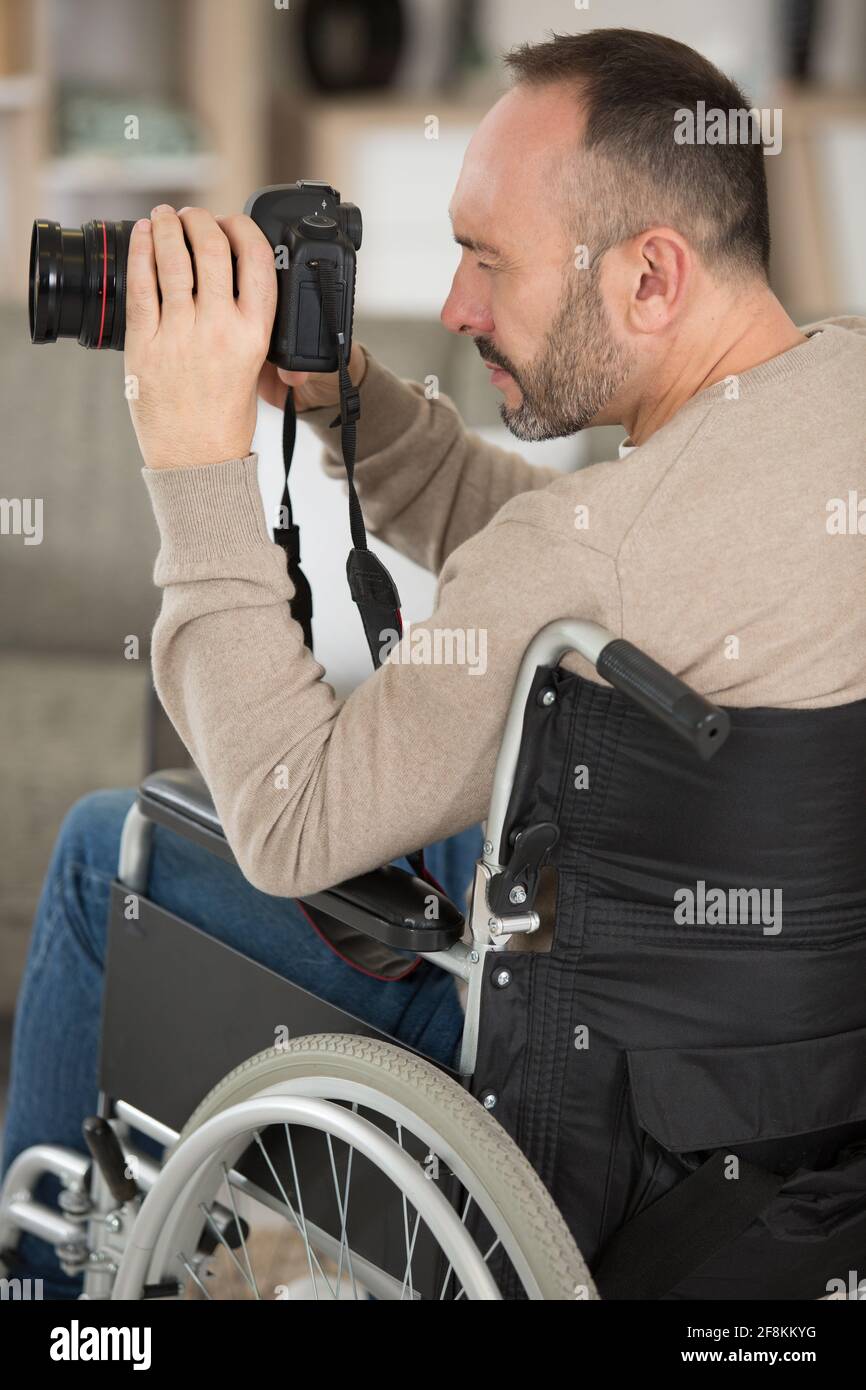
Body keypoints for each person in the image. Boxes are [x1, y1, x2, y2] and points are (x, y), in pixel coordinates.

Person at [3, 27, 865, 1298]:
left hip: (554, 1093)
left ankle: (47, 1298)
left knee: (99, 851)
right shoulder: (830, 393)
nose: (456, 307)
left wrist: (195, 466)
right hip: (757, 1075)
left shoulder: (578, 554)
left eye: (485, 259)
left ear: (649, 277)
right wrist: (346, 393)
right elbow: (583, 556)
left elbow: (292, 823)